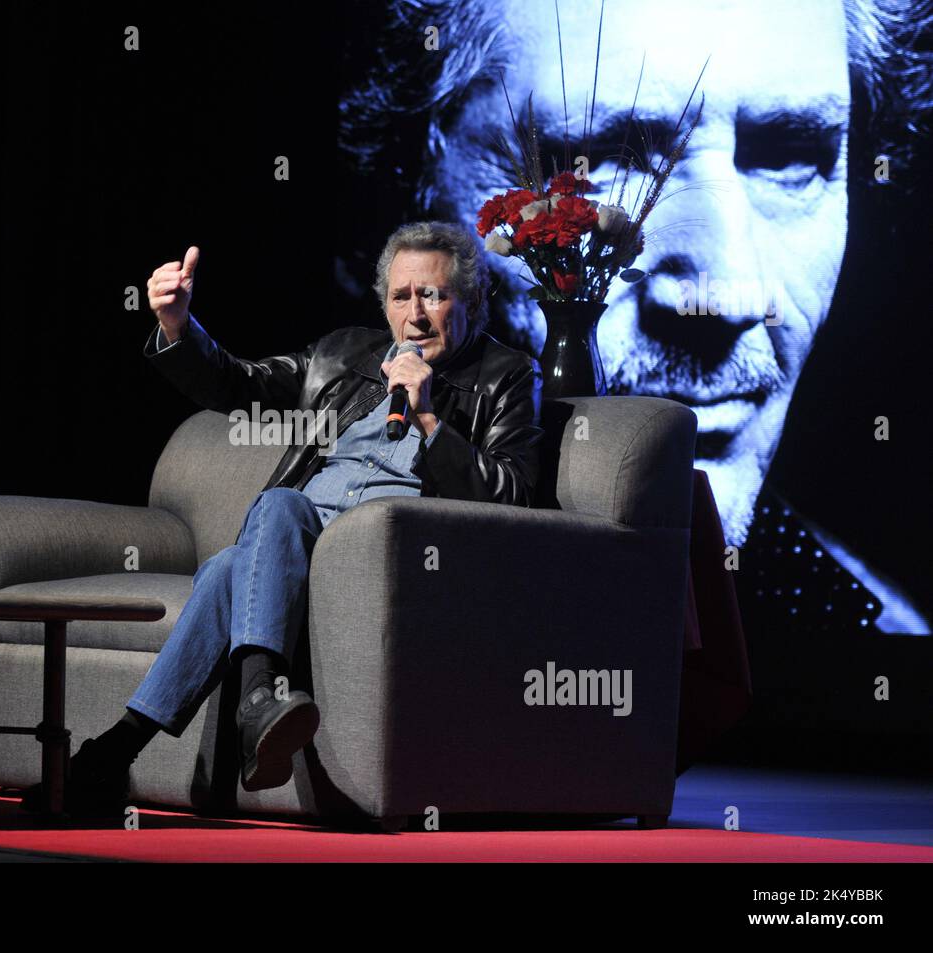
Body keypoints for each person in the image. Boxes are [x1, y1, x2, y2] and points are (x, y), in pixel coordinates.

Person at [336, 0, 933, 633]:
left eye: (787, 156)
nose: (724, 294)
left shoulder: (879, 647)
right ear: (408, 185)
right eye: (596, 160)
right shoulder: (317, 598)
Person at [25, 221, 543, 815]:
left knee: (233, 561)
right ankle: (196, 730)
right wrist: (177, 325)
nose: (416, 314)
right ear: (384, 304)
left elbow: (513, 496)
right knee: (262, 529)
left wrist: (427, 419)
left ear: (473, 302)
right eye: (402, 296)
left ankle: (111, 757)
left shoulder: (505, 375)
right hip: (299, 540)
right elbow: (239, 383)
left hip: (387, 558)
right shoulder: (342, 355)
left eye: (434, 295)